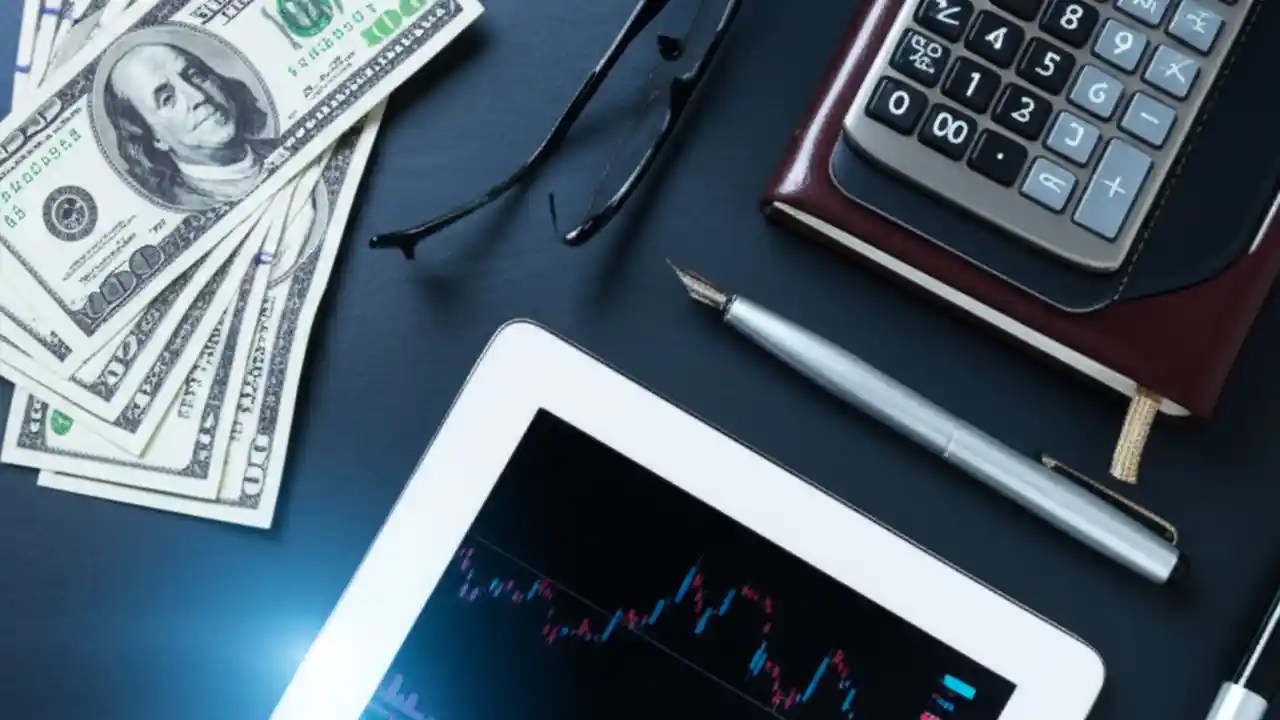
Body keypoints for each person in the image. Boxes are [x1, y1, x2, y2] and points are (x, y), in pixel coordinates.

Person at [103, 43, 276, 210]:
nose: (199, 96)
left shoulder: (276, 147)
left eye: (195, 76)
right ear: (155, 138)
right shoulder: (183, 202)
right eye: (167, 99)